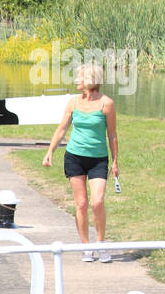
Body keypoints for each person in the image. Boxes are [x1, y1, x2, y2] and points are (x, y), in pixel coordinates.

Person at [42, 63, 120, 262]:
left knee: (97, 202)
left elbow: (112, 134)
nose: (77, 80)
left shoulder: (107, 104)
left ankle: (100, 244)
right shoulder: (73, 102)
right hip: (74, 157)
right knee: (81, 204)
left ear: (90, 80)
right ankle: (86, 247)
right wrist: (50, 151)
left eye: (80, 77)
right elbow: (61, 128)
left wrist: (115, 161)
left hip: (98, 160)